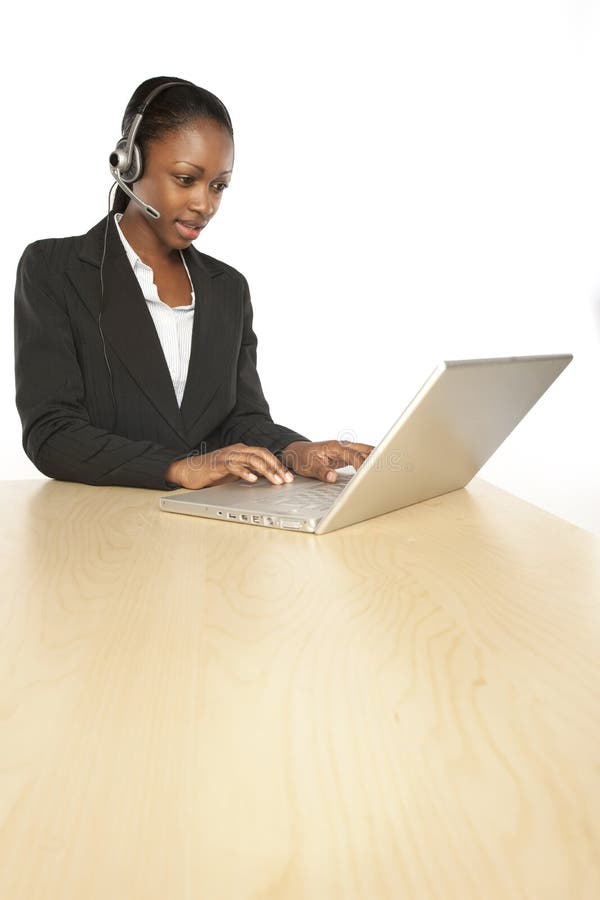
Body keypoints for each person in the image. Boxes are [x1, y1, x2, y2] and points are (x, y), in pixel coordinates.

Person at [14, 76, 373, 492]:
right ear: (129, 163)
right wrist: (177, 467)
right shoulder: (53, 269)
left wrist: (295, 450)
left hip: (209, 532)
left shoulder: (228, 289)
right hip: (103, 530)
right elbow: (51, 434)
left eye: (219, 185)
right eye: (186, 179)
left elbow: (241, 420)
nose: (206, 205)